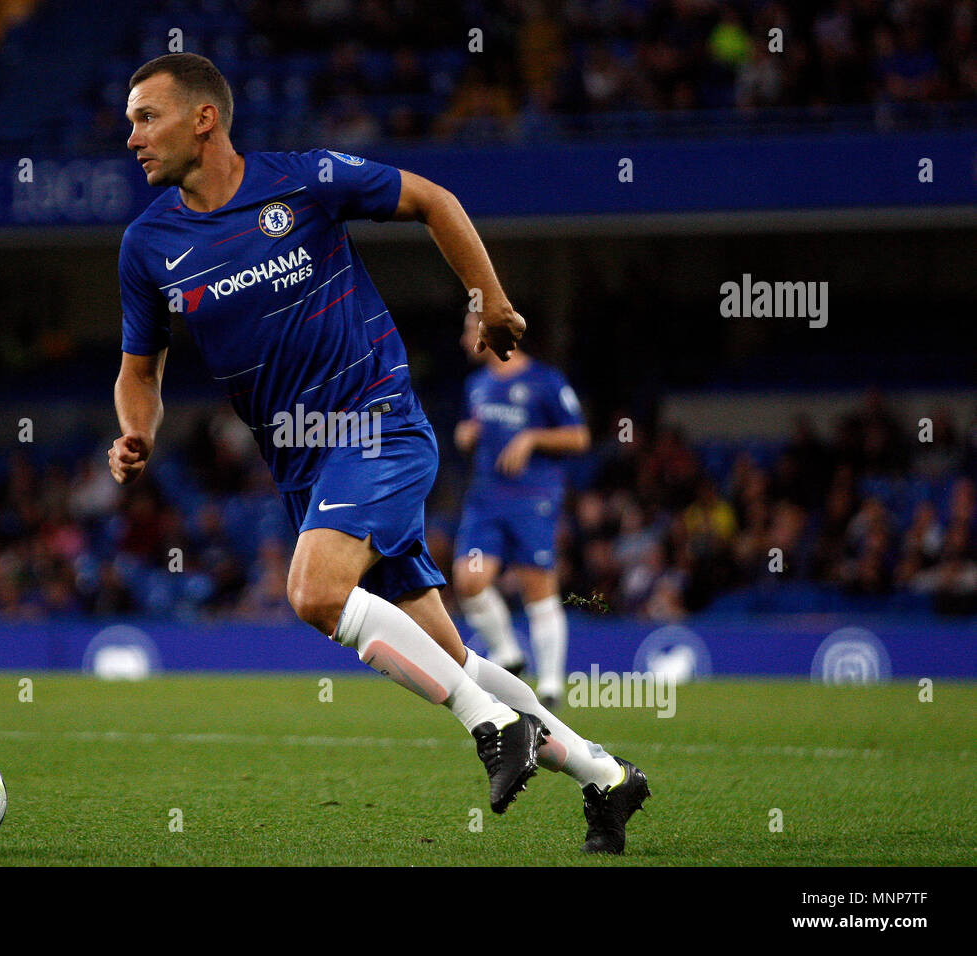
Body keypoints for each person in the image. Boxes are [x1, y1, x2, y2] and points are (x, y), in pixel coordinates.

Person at [109, 53, 648, 849]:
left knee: (316, 594)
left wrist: (490, 300)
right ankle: (609, 777)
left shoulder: (304, 180)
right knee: (451, 654)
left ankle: (490, 728)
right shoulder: (147, 246)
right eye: (129, 122)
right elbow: (138, 371)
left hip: (378, 426)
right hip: (301, 466)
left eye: (145, 117)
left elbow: (435, 199)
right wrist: (137, 432)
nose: (131, 139)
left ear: (204, 118)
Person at [452, 311, 590, 710]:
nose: (463, 341)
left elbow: (579, 436)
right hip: (485, 500)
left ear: (487, 336)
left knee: (537, 589)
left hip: (532, 499)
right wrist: (467, 435)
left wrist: (531, 437)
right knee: (469, 580)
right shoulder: (475, 385)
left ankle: (549, 686)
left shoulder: (545, 380)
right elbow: (470, 429)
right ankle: (509, 655)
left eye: (467, 332)